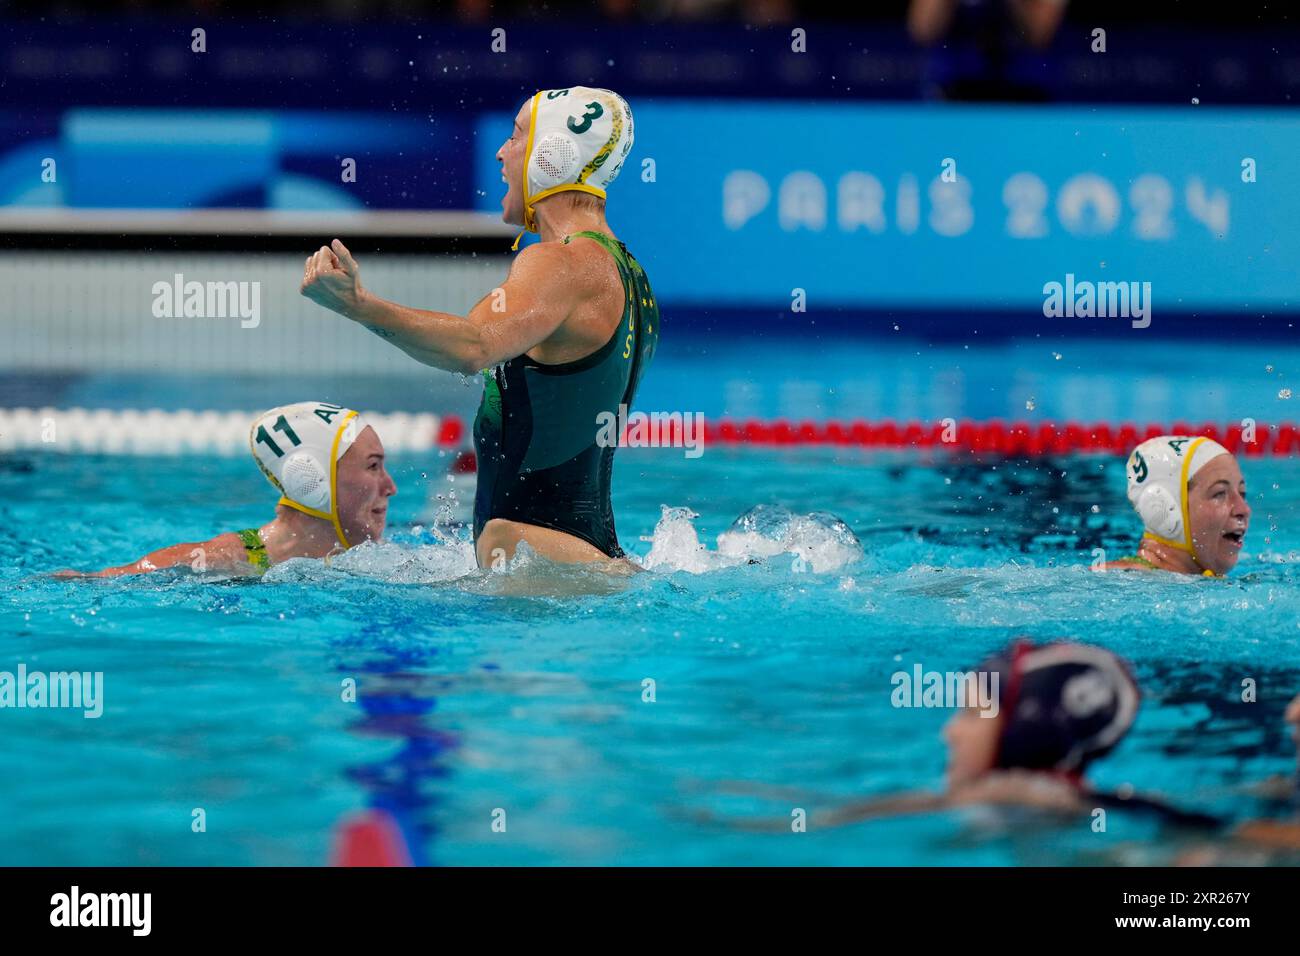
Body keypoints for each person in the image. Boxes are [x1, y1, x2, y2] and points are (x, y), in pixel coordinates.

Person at [299, 86, 658, 570]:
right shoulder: (629, 272)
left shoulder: (562, 262)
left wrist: (359, 306)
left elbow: (472, 346)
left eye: (516, 136)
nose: (501, 152)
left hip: (536, 563)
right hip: (575, 556)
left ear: (551, 155)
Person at [55, 402, 396, 579]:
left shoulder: (380, 561)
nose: (390, 487)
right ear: (311, 481)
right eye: (373, 466)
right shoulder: (225, 561)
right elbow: (103, 581)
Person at [1102, 435, 1250, 577]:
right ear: (1164, 507)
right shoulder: (1112, 583)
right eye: (1219, 494)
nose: (1243, 509)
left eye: (1242, 493)